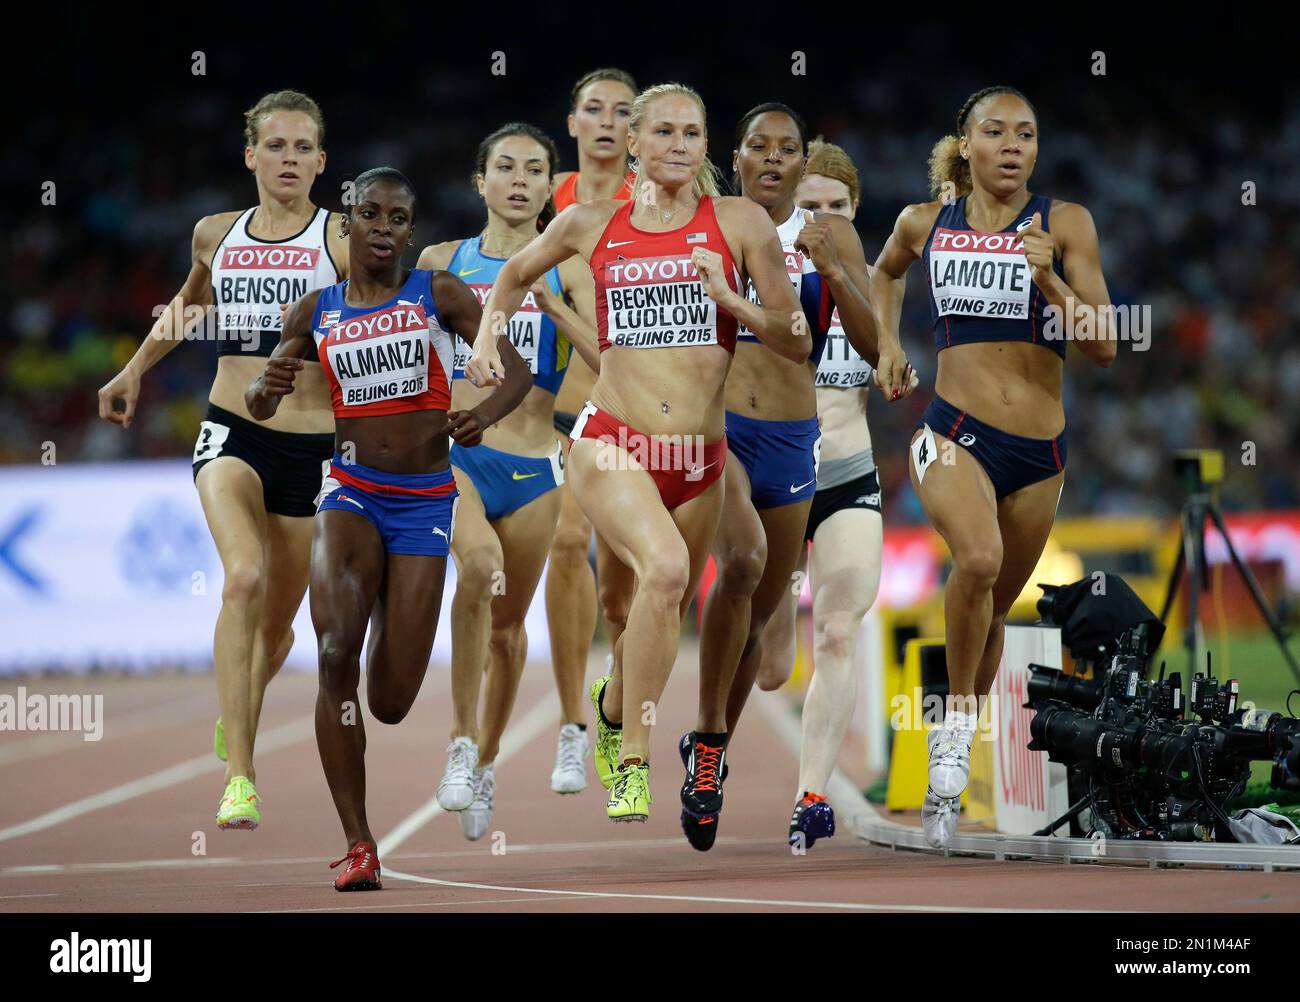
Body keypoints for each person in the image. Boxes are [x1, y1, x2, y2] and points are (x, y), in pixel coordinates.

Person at [466, 83, 807, 824]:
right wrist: (489, 335)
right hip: (611, 440)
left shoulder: (740, 222)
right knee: (668, 570)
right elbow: (514, 274)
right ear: (635, 143)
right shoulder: (591, 222)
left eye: (692, 132)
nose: (678, 144)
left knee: (660, 607)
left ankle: (614, 706)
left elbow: (795, 334)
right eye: (663, 132)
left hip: (701, 457)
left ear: (706, 145)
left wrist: (731, 297)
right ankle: (633, 762)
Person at [246, 168, 531, 890]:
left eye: (397, 218)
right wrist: (266, 388)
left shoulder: (439, 294)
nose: (382, 227)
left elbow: (517, 372)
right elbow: (259, 399)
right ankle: (359, 841)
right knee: (336, 648)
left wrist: (483, 416)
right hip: (350, 493)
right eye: (368, 213)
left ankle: (379, 596)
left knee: (391, 701)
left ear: (411, 229)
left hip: (425, 501)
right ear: (346, 222)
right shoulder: (315, 309)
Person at [870, 86, 1115, 847]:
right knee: (976, 562)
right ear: (966, 144)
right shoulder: (926, 222)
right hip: (952, 431)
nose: (1014, 145)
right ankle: (949, 734)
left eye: (1027, 134)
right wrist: (885, 345)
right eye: (996, 132)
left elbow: (1105, 342)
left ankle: (965, 725)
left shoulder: (1065, 223)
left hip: (1039, 454)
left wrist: (1051, 281)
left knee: (995, 605)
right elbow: (885, 273)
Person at [96, 91, 347, 830]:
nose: (289, 159)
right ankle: (241, 773)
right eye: (276, 146)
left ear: (322, 161)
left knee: (278, 633)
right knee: (243, 576)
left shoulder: (339, 240)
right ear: (251, 156)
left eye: (304, 148)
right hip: (231, 431)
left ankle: (236, 705)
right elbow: (187, 305)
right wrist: (132, 371)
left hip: (314, 446)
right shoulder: (215, 233)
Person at [684, 106, 885, 851]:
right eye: (760, 149)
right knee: (751, 610)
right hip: (734, 438)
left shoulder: (830, 247)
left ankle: (802, 793)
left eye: (789, 150)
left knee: (806, 645)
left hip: (827, 462)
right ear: (736, 158)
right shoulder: (720, 230)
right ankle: (705, 747)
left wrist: (838, 274)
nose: (776, 161)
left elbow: (871, 345)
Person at [417, 123, 600, 838]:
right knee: (478, 570)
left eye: (533, 169)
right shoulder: (442, 260)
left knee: (508, 632)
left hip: (534, 467)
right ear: (480, 182)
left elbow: (608, 357)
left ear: (551, 187)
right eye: (505, 167)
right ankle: (461, 743)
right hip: (457, 457)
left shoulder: (570, 265)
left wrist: (554, 307)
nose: (519, 179)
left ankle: (486, 760)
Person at [758, 139, 915, 849]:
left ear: (857, 212)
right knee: (770, 669)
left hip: (848, 474)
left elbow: (891, 364)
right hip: (774, 483)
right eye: (808, 206)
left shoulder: (878, 278)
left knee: (840, 630)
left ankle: (810, 795)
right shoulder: (762, 265)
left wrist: (896, 368)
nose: (820, 218)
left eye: (835, 207)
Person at [546, 68, 639, 771]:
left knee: (623, 595)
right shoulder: (547, 204)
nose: (607, 122)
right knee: (565, 543)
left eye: (621, 112)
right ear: (573, 123)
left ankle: (618, 709)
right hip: (573, 414)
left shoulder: (660, 201)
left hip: (649, 414)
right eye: (593, 109)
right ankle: (576, 722)